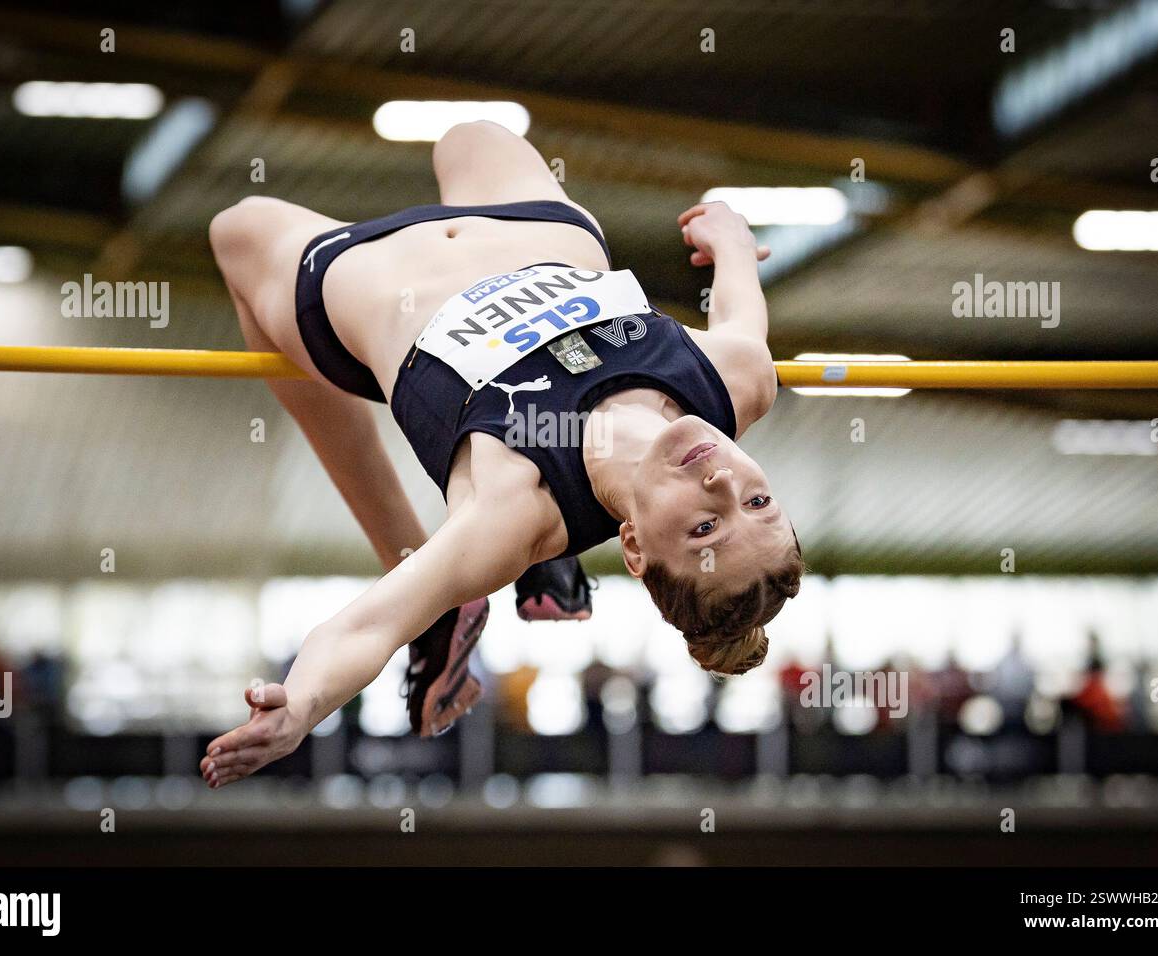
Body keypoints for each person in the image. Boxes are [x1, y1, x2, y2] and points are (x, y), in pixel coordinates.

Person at [200, 120, 803, 788]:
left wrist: (303, 706)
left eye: (705, 527)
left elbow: (366, 627)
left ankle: (430, 579)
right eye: (757, 500)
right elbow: (741, 315)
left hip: (364, 276)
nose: (720, 482)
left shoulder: (517, 510)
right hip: (532, 227)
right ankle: (532, 574)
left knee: (235, 227)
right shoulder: (737, 381)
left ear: (633, 549)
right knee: (466, 135)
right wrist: (735, 246)